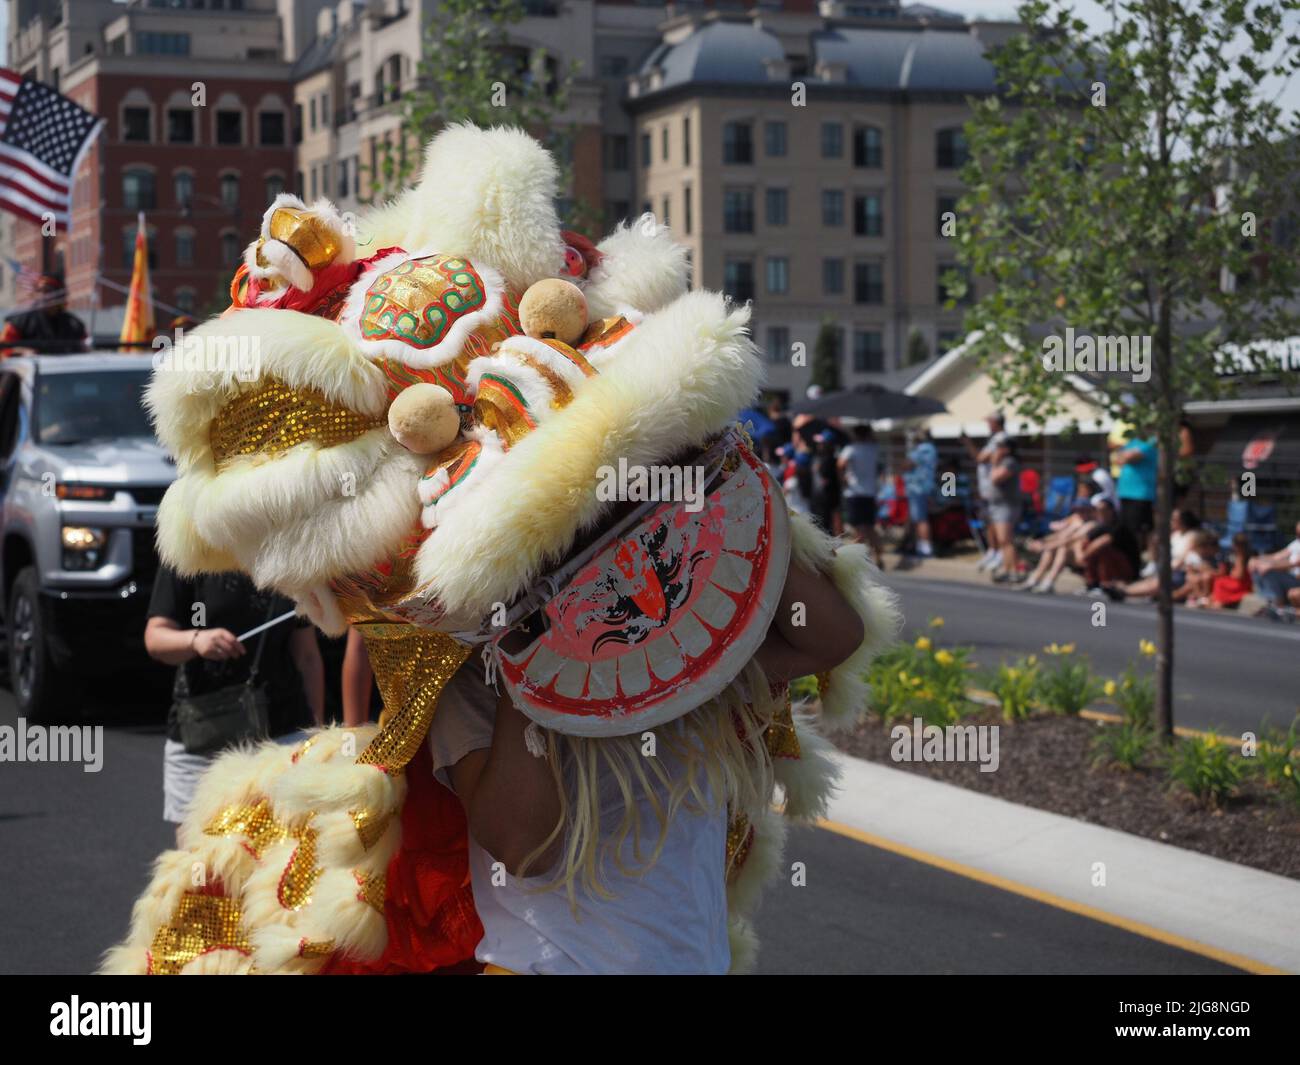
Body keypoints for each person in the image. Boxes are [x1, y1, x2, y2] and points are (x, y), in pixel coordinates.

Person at [425, 559, 864, 975]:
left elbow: (834, 636)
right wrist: (530, 644)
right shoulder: (474, 671)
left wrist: (725, 488)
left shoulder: (684, 639)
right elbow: (523, 846)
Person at [144, 568, 324, 835]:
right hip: (202, 736)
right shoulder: (189, 553)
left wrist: (316, 736)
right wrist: (196, 640)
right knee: (201, 865)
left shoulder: (286, 559)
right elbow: (155, 638)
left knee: (278, 859)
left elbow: (307, 657)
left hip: (281, 738)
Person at [961, 413, 1010, 571]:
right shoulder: (994, 439)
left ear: (996, 422)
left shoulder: (1000, 439)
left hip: (996, 489)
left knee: (995, 523)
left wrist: (967, 443)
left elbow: (981, 458)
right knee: (988, 522)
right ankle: (992, 550)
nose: (988, 425)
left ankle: (1000, 553)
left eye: (989, 422)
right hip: (987, 489)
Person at [1019, 499, 1098, 595]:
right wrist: (1042, 542)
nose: (1079, 513)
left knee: (1061, 549)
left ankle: (1049, 582)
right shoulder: (1075, 520)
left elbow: (1071, 539)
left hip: (1081, 555)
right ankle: (1034, 580)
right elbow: (1058, 535)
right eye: (1077, 510)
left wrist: (1045, 546)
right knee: (1050, 550)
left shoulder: (1091, 524)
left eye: (1082, 510)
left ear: (1089, 511)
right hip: (1065, 549)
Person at [0, 274, 89, 355]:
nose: (43, 295)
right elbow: (3, 347)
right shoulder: (20, 322)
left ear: (59, 295)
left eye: (47, 291)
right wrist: (22, 351)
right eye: (39, 291)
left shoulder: (74, 324)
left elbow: (86, 348)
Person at [838, 423, 883, 567]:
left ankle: (860, 557)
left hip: (855, 491)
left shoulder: (851, 448)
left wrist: (843, 479)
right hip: (870, 492)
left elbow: (840, 464)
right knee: (870, 527)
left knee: (858, 527)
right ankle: (878, 555)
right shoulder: (873, 449)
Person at [1079, 497, 1140, 593]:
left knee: (1103, 549)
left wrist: (1083, 557)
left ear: (1111, 511)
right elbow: (1085, 540)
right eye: (1098, 510)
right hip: (1111, 564)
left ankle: (1105, 583)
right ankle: (1092, 583)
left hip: (1128, 567)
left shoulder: (1119, 526)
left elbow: (1103, 541)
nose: (1100, 513)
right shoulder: (1099, 526)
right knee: (1088, 545)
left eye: (1103, 510)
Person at [987, 437, 1024, 583]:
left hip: (1006, 505)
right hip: (998, 504)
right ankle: (1007, 568)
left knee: (1005, 539)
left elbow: (996, 478)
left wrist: (994, 462)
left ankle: (1014, 569)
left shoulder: (1010, 463)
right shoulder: (1005, 462)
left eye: (1000, 447)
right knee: (1003, 540)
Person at [1110, 430, 1158, 540]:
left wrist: (1124, 454)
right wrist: (1124, 455)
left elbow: (1127, 457)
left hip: (1141, 494)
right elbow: (1118, 460)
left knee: (1139, 531)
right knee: (1126, 530)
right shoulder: (1133, 442)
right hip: (1125, 493)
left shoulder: (1152, 441)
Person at [1248, 520, 1300, 620]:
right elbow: (1277, 556)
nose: (1298, 536)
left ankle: (1283, 609)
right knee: (1260, 568)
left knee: (1294, 593)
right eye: (1297, 533)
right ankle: (1276, 605)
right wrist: (1257, 559)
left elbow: (1295, 563)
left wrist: (1271, 566)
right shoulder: (1296, 544)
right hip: (1292, 579)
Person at [901, 425, 938, 558]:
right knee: (914, 518)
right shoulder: (928, 449)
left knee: (920, 518)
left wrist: (910, 452)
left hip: (919, 488)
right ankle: (914, 545)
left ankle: (925, 548)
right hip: (918, 488)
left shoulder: (924, 449)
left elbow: (907, 464)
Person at [1200, 532, 1253, 610]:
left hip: (1241, 584)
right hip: (1243, 582)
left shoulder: (1240, 556)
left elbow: (1239, 575)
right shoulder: (1244, 554)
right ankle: (1211, 600)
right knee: (1220, 581)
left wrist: (1230, 573)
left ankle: (1218, 602)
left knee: (1220, 582)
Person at [810, 431, 842, 535]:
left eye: (822, 443)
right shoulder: (820, 458)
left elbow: (828, 481)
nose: (819, 445)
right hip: (818, 501)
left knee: (825, 529)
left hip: (826, 502)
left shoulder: (831, 460)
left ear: (829, 444)